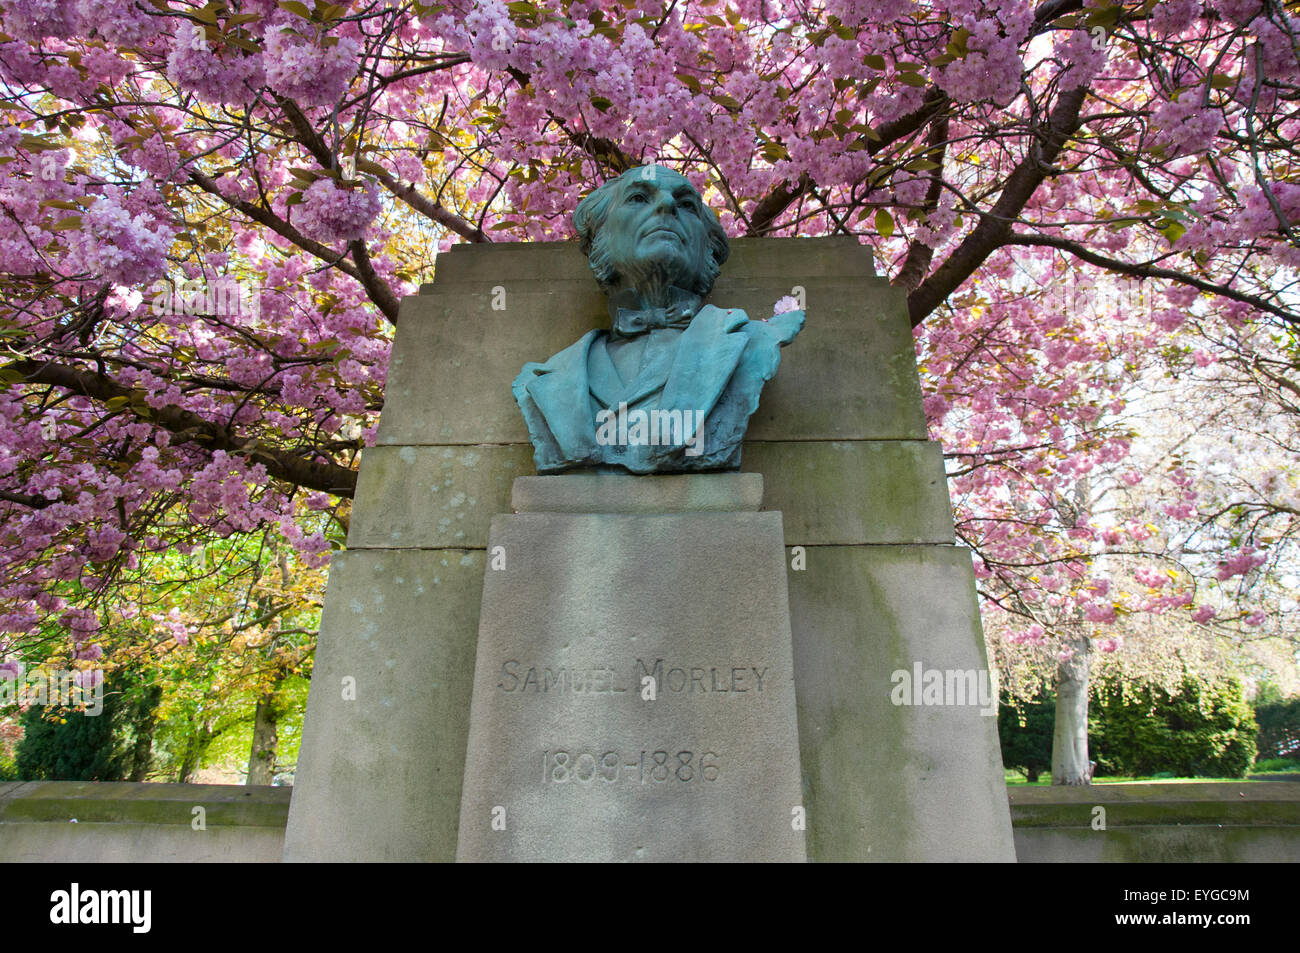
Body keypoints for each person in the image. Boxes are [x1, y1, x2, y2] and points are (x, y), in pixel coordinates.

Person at [513, 165, 803, 473]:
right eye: (638, 198)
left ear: (706, 246)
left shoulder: (752, 344)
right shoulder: (549, 379)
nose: (665, 205)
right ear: (601, 237)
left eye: (686, 205)